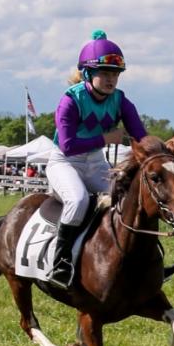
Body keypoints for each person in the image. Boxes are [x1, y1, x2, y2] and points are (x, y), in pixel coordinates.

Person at [45, 30, 148, 288]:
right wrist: (106, 139)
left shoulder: (121, 100)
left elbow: (141, 137)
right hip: (64, 162)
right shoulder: (70, 100)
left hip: (94, 162)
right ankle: (62, 262)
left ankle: (142, 262)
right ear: (88, 74)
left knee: (128, 199)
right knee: (78, 200)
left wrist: (157, 154)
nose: (112, 79)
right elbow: (67, 146)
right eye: (105, 73)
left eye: (115, 74)